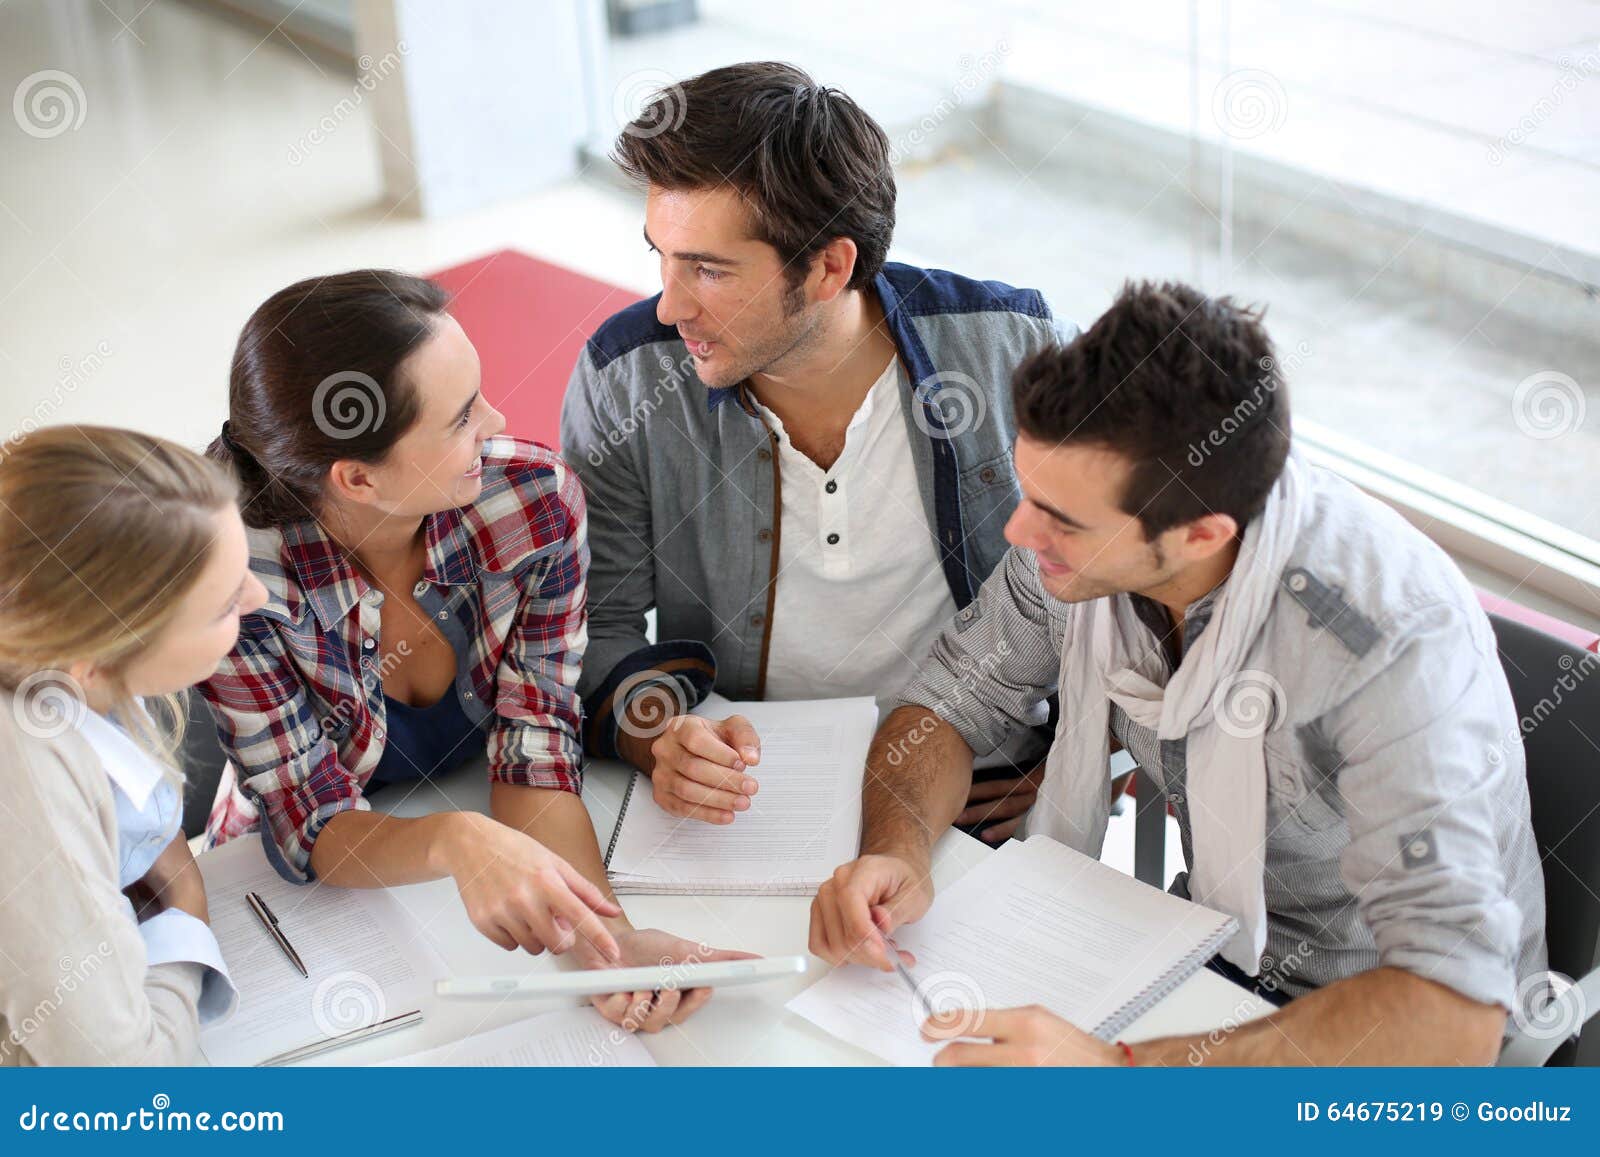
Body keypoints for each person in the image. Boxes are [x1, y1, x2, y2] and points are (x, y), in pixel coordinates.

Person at [809, 280, 1548, 1065]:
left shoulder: (1391, 645)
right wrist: (899, 846)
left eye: (1062, 519)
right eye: (1032, 495)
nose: (1021, 531)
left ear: (1200, 536)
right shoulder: (1075, 556)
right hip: (1200, 961)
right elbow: (950, 700)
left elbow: (1453, 1015)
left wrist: (1121, 1078)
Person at [200, 270, 747, 1033]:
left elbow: (535, 745)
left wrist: (604, 938)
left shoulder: (533, 501)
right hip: (307, 901)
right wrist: (456, 842)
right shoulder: (232, 572)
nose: (496, 421)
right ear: (357, 477)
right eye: (461, 416)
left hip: (472, 820)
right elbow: (308, 818)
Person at [563, 62, 1070, 841]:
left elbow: (1123, 577)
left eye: (708, 268)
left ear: (830, 266)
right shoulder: (625, 379)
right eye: (661, 256)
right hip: (751, 792)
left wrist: (1075, 746)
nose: (670, 304)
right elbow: (597, 620)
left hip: (979, 789)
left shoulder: (1014, 349)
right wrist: (656, 733)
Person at [0, 426, 258, 1065]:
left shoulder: (59, 671)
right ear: (91, 658)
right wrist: (188, 917)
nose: (259, 597)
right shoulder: (24, 783)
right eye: (226, 603)